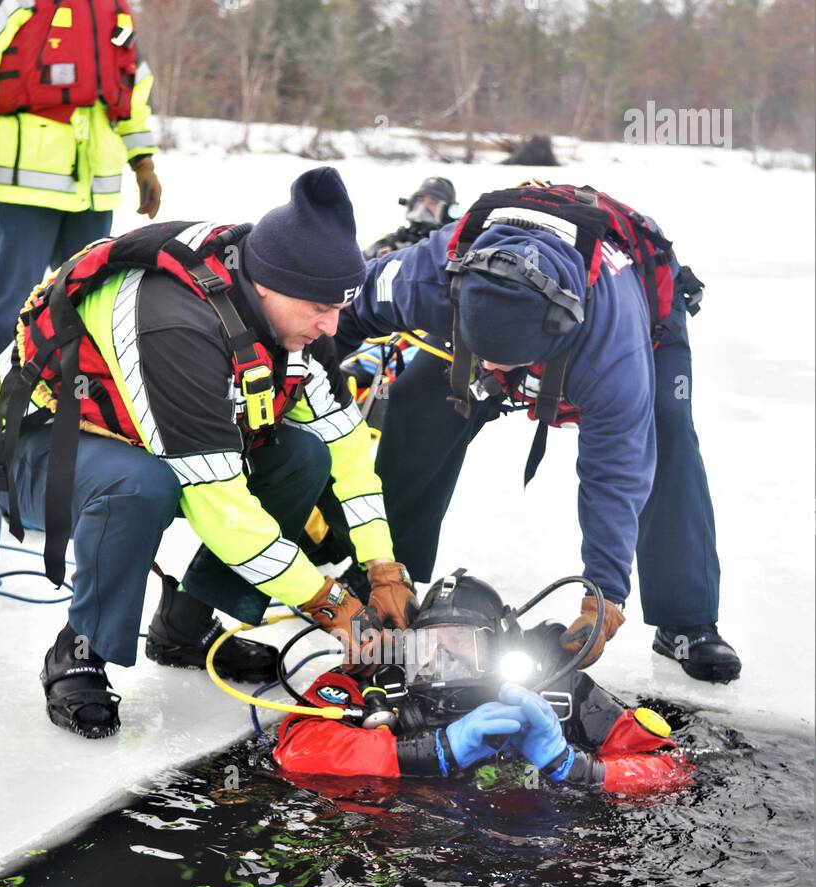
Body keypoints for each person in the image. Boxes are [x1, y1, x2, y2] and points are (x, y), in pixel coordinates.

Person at [0, 167, 415, 739]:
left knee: (303, 456)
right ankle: (79, 651)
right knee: (138, 484)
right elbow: (218, 503)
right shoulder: (174, 321)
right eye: (319, 309)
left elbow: (348, 447)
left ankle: (185, 625)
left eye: (339, 308)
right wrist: (326, 601)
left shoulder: (288, 319)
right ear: (268, 285)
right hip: (39, 450)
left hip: (150, 441)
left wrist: (381, 564)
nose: (332, 327)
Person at [335, 182, 742, 685]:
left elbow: (615, 469)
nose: (488, 367)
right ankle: (387, 577)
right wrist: (309, 384)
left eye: (503, 360)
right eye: (484, 354)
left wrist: (604, 595)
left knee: (666, 434)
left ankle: (687, 621)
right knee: (422, 402)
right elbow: (342, 305)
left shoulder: (612, 345)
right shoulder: (433, 273)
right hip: (492, 302)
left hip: (641, 314)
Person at [274, 571, 692, 793]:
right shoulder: (381, 681)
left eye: (459, 639)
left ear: (499, 645)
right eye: (427, 641)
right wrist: (429, 752)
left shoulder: (552, 686)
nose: (440, 652)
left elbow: (669, 767)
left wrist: (576, 769)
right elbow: (297, 750)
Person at [0, 0, 163, 391]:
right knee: (13, 306)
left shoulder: (112, 8)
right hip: (27, 188)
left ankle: (76, 408)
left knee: (89, 308)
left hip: (95, 191)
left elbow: (133, 88)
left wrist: (143, 160)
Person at [364, 175, 458, 259]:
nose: (423, 206)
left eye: (433, 201)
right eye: (420, 199)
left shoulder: (449, 247)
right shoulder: (394, 240)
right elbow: (359, 265)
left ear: (447, 211)